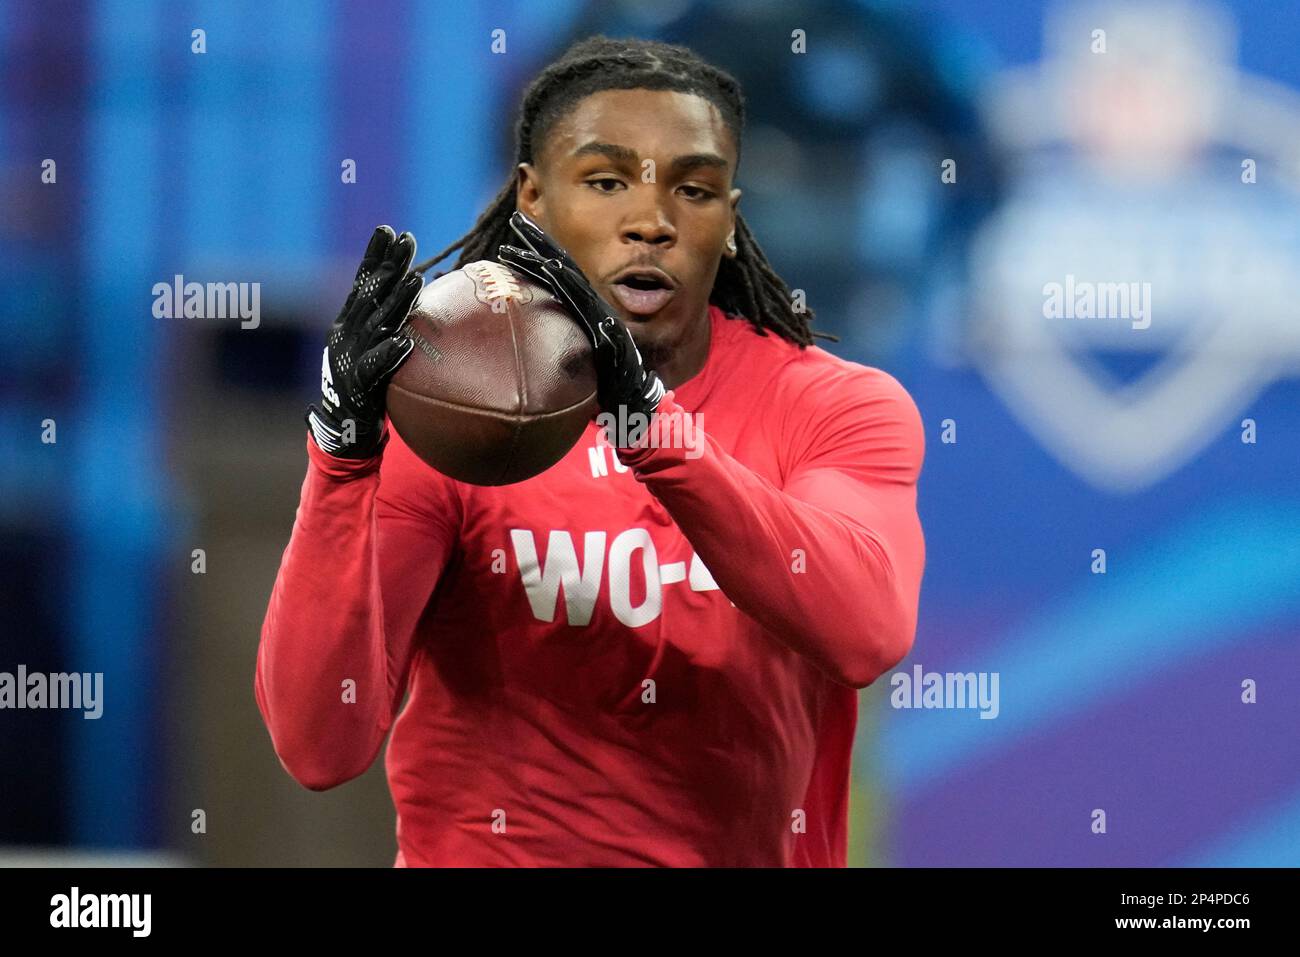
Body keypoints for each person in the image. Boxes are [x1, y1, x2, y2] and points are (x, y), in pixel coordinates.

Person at [254, 36, 925, 867]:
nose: (651, 220)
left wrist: (649, 426)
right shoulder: (452, 423)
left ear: (729, 219)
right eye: (606, 182)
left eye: (695, 188)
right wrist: (341, 455)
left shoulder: (835, 406)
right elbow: (319, 745)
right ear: (532, 199)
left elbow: (867, 630)